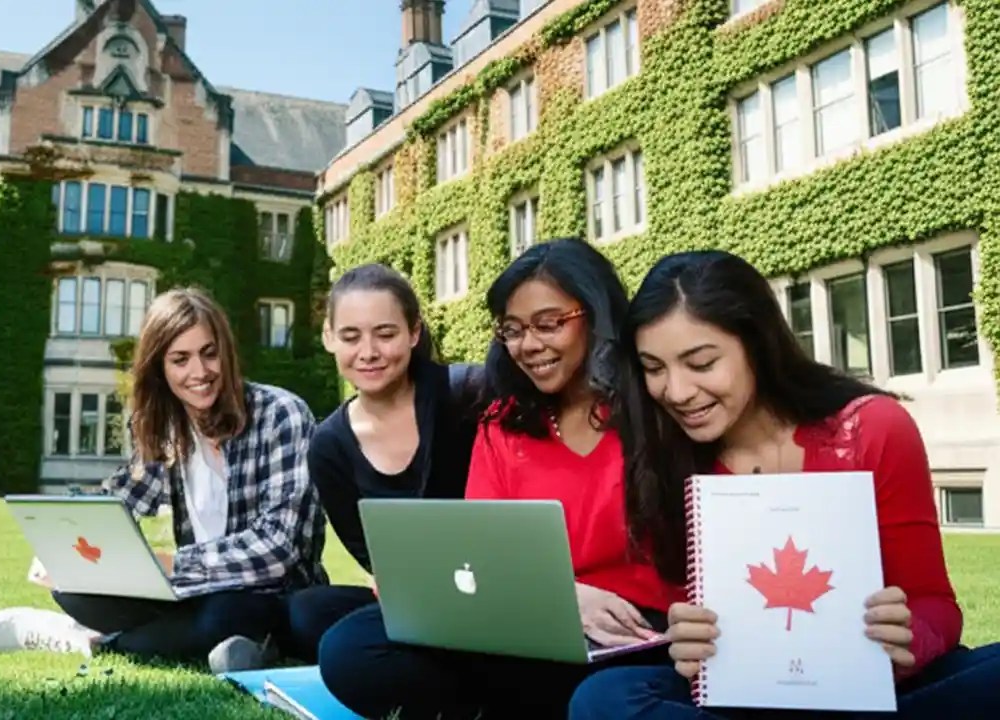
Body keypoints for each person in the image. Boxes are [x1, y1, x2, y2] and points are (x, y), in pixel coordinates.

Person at [568, 250, 1000, 718]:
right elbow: (704, 624)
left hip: (876, 684)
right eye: (654, 368)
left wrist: (911, 635)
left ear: (758, 345)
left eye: (701, 362)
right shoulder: (667, 456)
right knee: (603, 697)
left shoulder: (873, 429)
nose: (676, 391)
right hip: (747, 693)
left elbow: (937, 605)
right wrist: (688, 639)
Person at [318, 240, 684, 720]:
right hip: (530, 624)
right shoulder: (503, 423)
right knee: (350, 647)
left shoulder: (655, 410)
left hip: (637, 634)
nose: (529, 345)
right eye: (512, 330)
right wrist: (564, 597)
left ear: (595, 315)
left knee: (604, 696)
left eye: (549, 324)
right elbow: (484, 555)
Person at [0, 287, 328, 674]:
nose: (200, 372)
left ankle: (92, 641)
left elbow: (278, 549)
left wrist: (168, 564)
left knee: (223, 616)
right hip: (192, 591)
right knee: (72, 588)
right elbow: (121, 498)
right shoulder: (168, 427)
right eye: (180, 359)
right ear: (159, 367)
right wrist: (62, 545)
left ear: (226, 352)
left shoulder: (282, 415)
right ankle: (223, 647)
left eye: (209, 353)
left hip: (269, 595)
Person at [284, 263, 486, 662]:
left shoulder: (465, 393)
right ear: (329, 338)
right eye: (350, 336)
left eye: (385, 333)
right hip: (417, 598)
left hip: (492, 580)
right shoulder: (329, 445)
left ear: (414, 332)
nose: (368, 352)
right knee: (308, 611)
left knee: (349, 646)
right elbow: (374, 559)